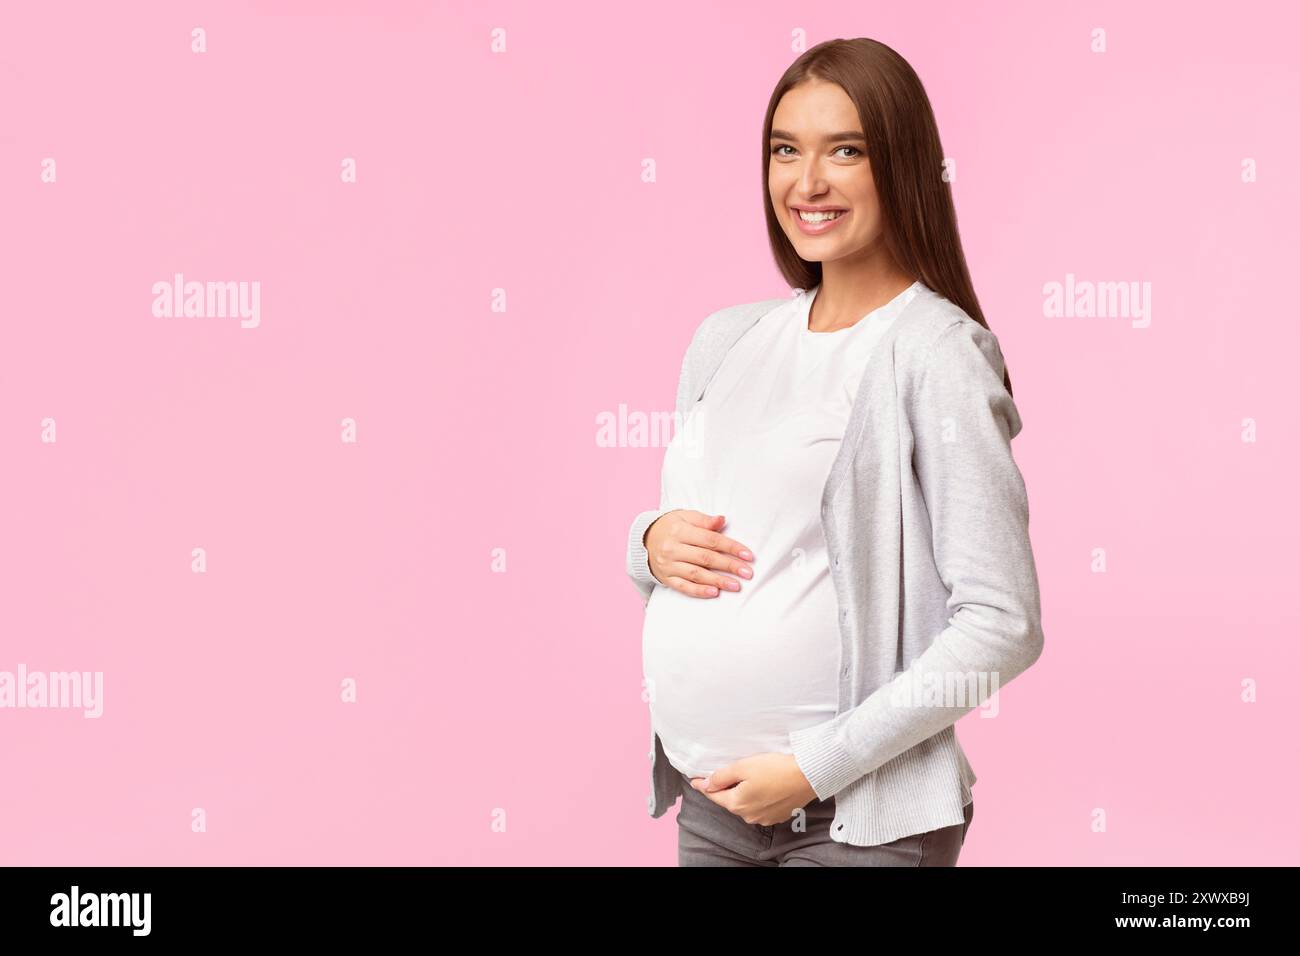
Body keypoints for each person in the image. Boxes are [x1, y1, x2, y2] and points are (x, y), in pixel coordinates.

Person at [624, 37, 1045, 866]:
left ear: (902, 164)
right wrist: (646, 541)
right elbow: (729, 537)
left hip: (857, 825)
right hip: (711, 813)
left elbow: (1005, 622)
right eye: (786, 150)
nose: (806, 183)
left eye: (844, 151)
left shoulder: (935, 353)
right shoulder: (725, 341)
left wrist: (816, 768)